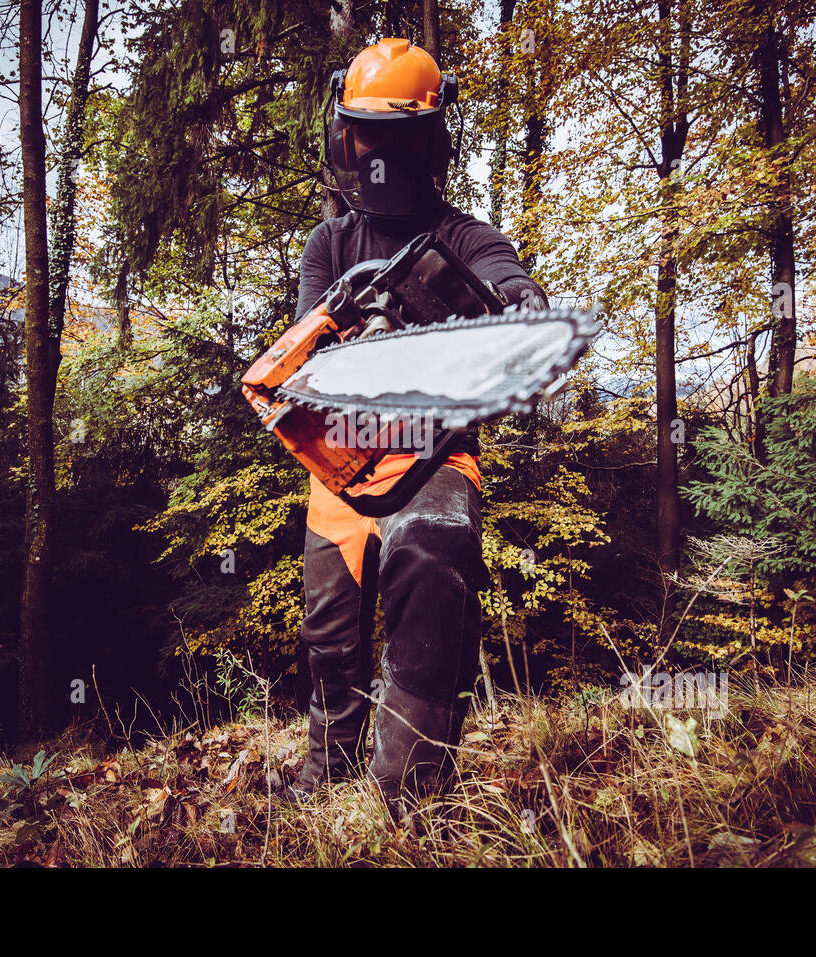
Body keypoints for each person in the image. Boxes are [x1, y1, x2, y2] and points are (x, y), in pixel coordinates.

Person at [284, 38, 548, 814]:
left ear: (430, 138)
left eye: (397, 131)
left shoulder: (465, 238)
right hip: (342, 463)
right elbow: (303, 351)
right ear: (346, 134)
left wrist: (518, 311)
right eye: (369, 130)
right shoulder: (330, 244)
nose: (381, 148)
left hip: (434, 457)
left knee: (431, 593)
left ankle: (411, 795)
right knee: (330, 638)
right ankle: (325, 772)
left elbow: (510, 283)